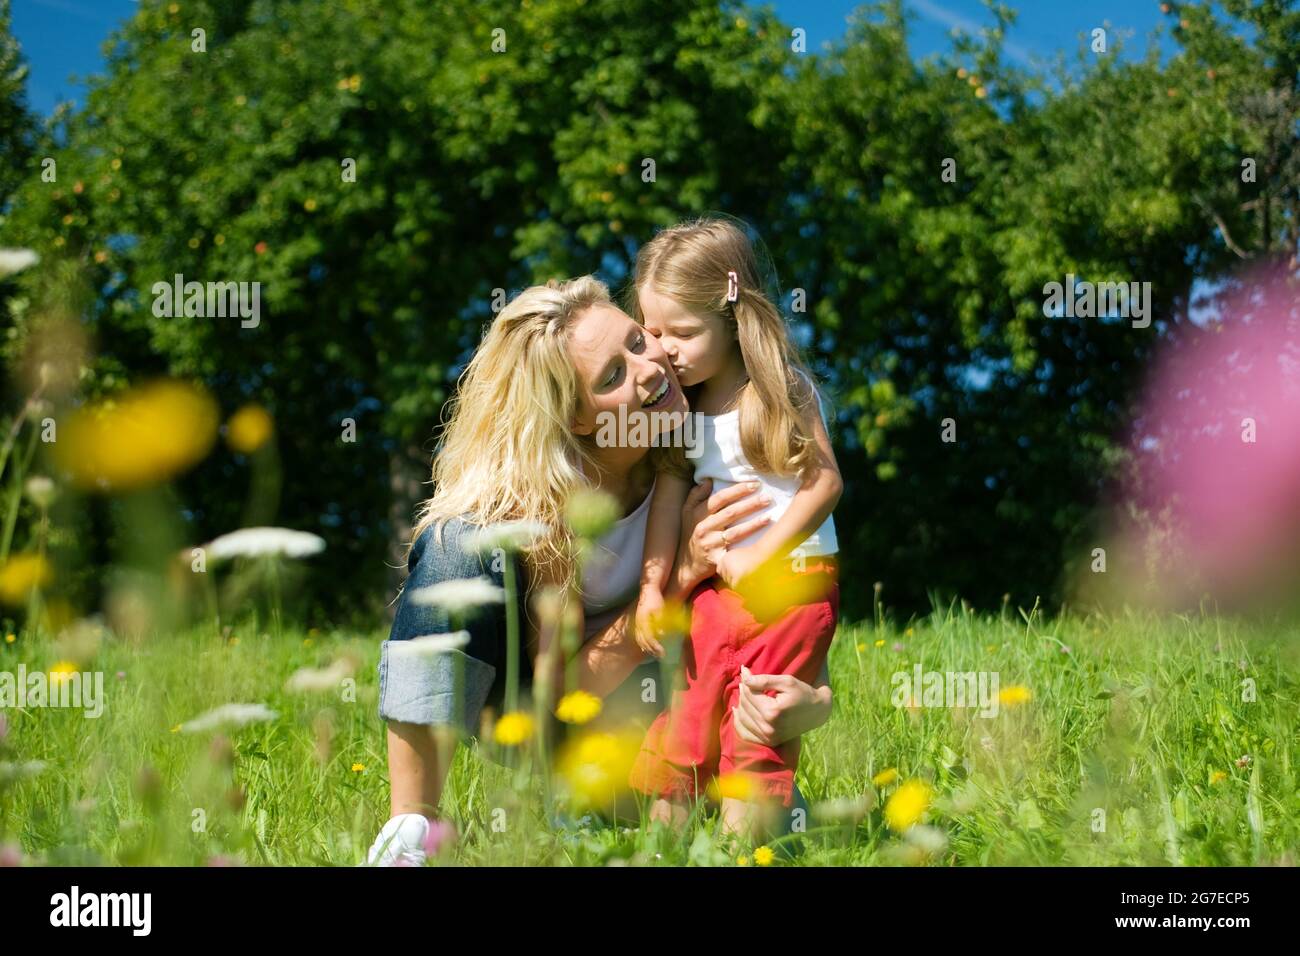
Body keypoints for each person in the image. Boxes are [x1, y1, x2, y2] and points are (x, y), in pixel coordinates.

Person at [368, 276, 834, 865]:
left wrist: (814, 704)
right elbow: (554, 695)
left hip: (668, 726)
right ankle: (411, 834)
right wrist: (679, 580)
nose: (648, 368)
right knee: (454, 543)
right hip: (547, 723)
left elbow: (792, 626)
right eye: (612, 378)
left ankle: (693, 814)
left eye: (638, 341)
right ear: (579, 419)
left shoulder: (713, 462)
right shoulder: (549, 507)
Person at [629, 217, 842, 840]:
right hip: (713, 594)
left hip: (791, 586)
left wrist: (767, 557)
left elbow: (825, 483)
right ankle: (667, 849)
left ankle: (739, 848)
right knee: (686, 722)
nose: (665, 348)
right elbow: (671, 497)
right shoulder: (683, 409)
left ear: (731, 311)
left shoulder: (779, 393)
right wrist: (652, 588)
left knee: (757, 725)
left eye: (683, 333)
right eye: (653, 331)